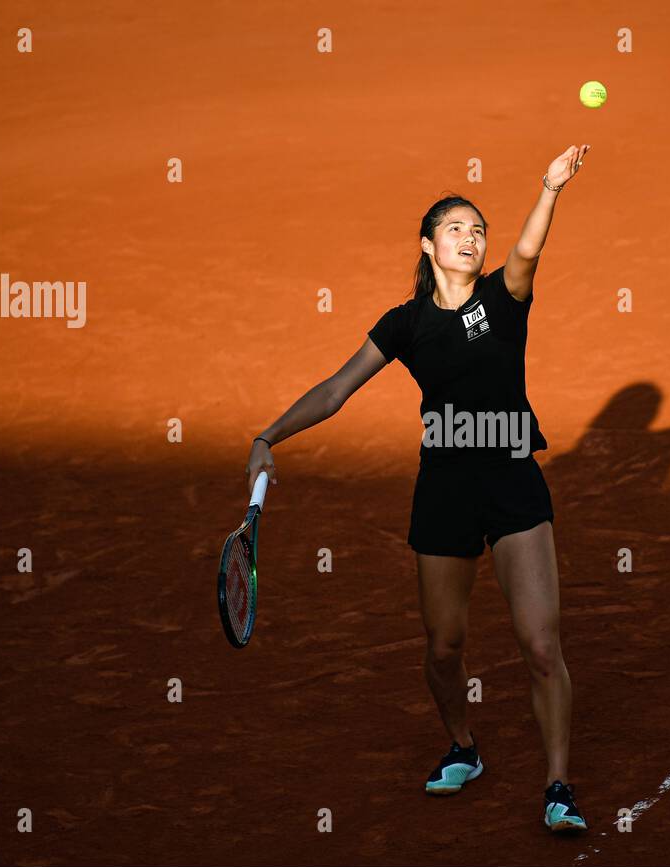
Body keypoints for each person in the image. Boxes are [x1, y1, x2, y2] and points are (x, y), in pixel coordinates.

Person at [246, 145, 591, 832]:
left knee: (542, 645)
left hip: (513, 482)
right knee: (443, 646)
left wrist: (550, 188)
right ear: (429, 244)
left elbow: (526, 252)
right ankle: (463, 745)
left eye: (478, 229)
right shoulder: (404, 324)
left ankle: (558, 786)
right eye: (458, 228)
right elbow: (338, 388)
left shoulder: (502, 297)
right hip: (444, 492)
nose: (472, 238)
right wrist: (268, 435)